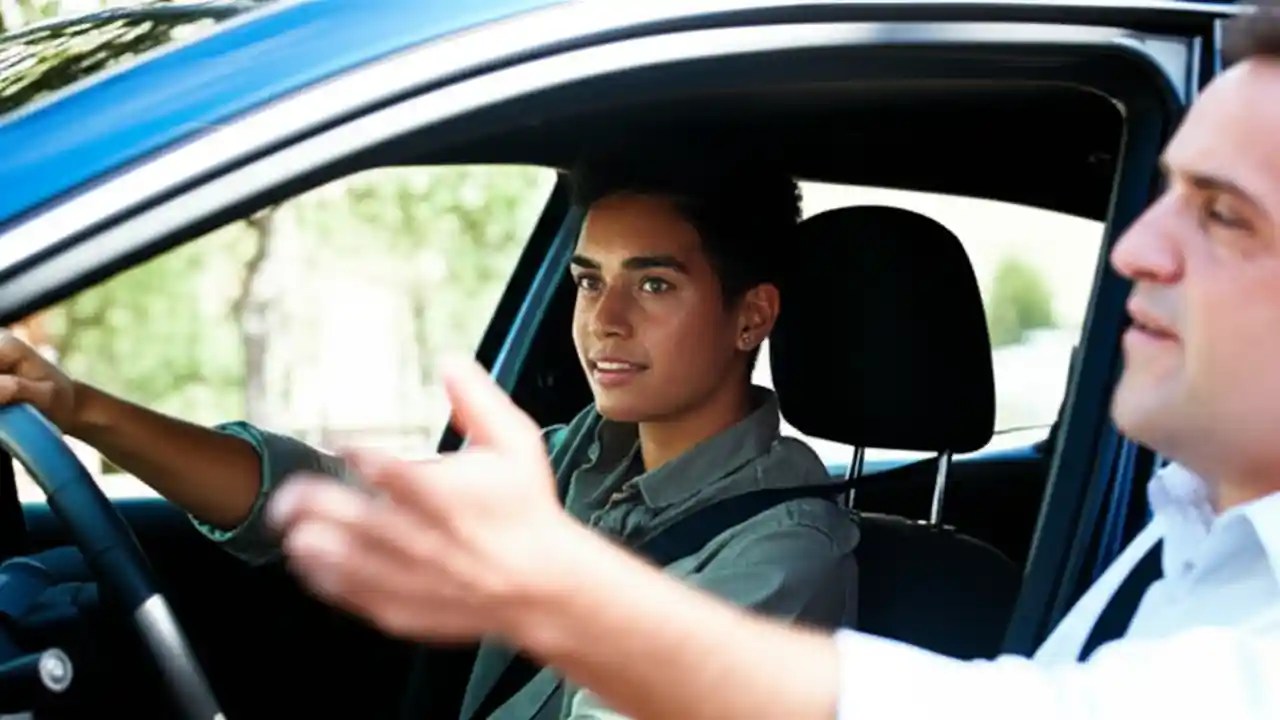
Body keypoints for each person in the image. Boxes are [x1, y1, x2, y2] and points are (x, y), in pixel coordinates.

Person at [264, 5, 1280, 720]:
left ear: (752, 316)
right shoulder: (1175, 544)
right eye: (1163, 198)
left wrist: (551, 591)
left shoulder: (789, 548)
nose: (1135, 250)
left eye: (1222, 214)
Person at [0, 144, 859, 718]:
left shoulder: (785, 557)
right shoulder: (571, 461)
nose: (605, 321)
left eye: (655, 286)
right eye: (589, 282)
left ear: (752, 318)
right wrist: (80, 407)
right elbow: (311, 497)